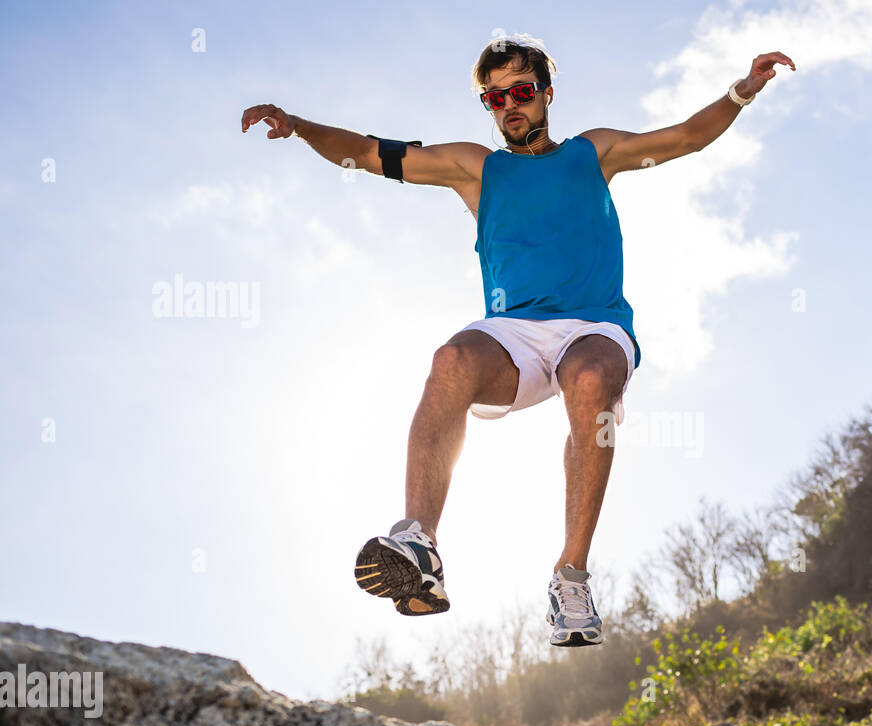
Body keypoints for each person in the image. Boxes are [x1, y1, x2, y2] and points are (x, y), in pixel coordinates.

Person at [240, 35, 794, 646]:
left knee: (591, 380)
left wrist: (742, 90)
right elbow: (369, 154)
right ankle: (419, 548)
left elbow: (684, 137)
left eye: (522, 92)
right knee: (450, 358)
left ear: (547, 95)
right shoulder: (475, 167)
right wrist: (296, 126)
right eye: (495, 97)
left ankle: (571, 576)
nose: (510, 106)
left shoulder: (594, 152)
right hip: (512, 333)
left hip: (593, 324)